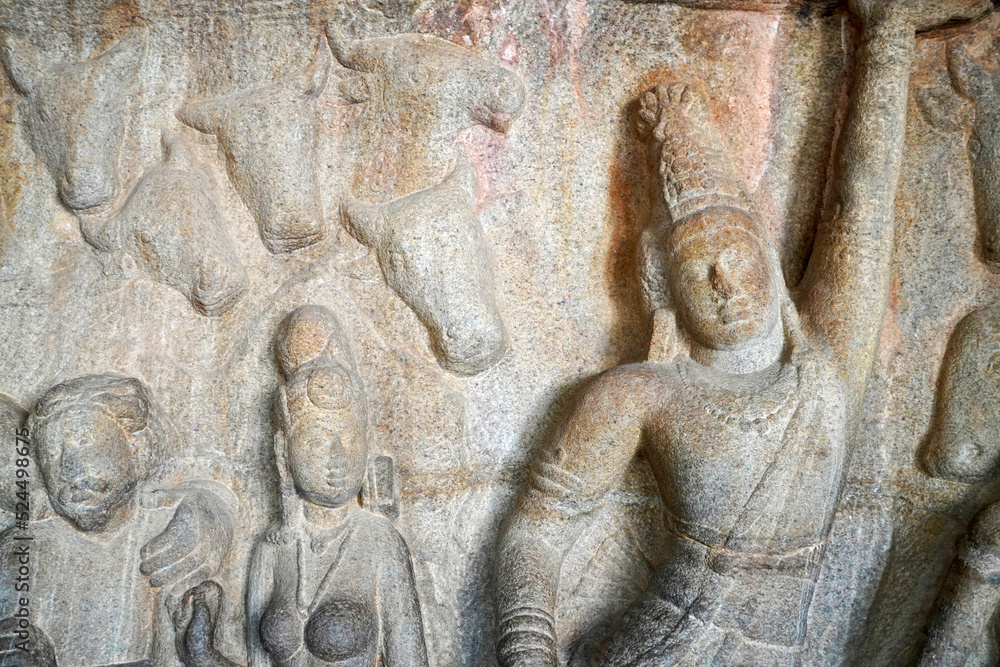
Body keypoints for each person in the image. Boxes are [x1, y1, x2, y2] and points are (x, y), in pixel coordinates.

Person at [494, 1, 992, 665]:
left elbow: (861, 206)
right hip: (663, 647)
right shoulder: (638, 393)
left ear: (768, 256)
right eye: (697, 268)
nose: (725, 282)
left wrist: (885, 34)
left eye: (737, 254)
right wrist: (529, 645)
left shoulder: (822, 369)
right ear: (661, 284)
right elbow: (538, 525)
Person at [173, 305, 428, 667]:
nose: (337, 455)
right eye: (317, 440)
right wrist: (203, 652)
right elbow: (258, 663)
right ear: (283, 454)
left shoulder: (380, 542)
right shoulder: (272, 549)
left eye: (349, 438)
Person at [0, 374, 235, 667]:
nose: (68, 467)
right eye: (50, 453)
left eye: (85, 441)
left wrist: (204, 658)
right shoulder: (26, 548)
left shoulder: (169, 532)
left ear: (138, 450)